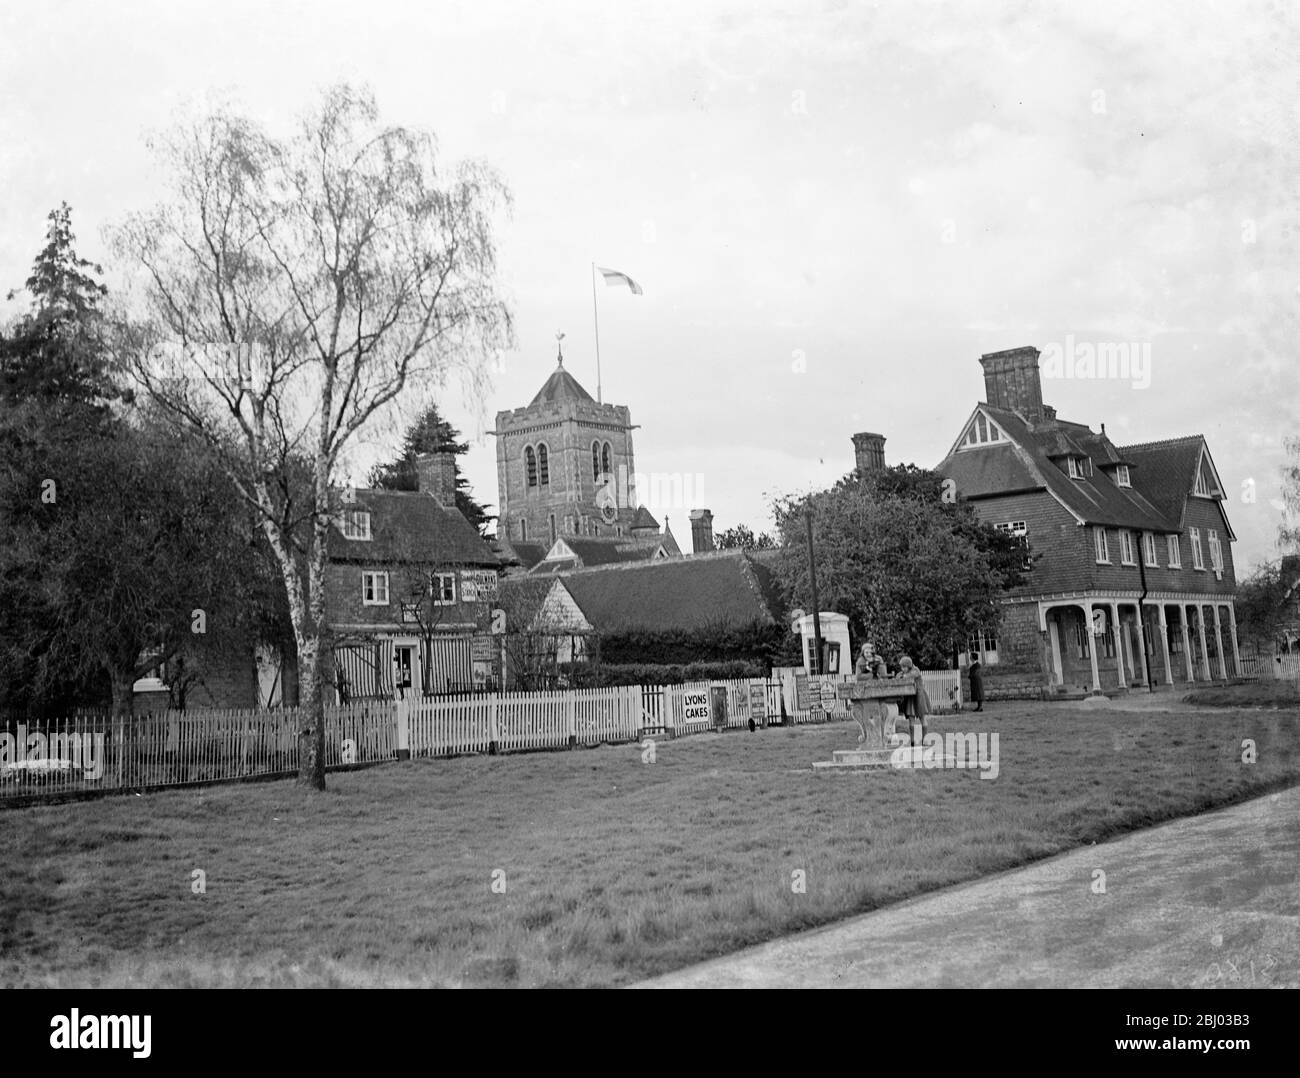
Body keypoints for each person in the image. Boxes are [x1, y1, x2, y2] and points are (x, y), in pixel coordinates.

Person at [894, 655, 929, 743]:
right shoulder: (904, 672)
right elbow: (898, 677)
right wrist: (901, 675)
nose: (902, 669)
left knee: (922, 718)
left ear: (909, 666)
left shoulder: (915, 670)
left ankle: (925, 739)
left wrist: (902, 675)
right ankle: (912, 740)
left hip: (919, 696)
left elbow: (909, 676)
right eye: (901, 667)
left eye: (904, 667)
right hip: (911, 698)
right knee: (911, 718)